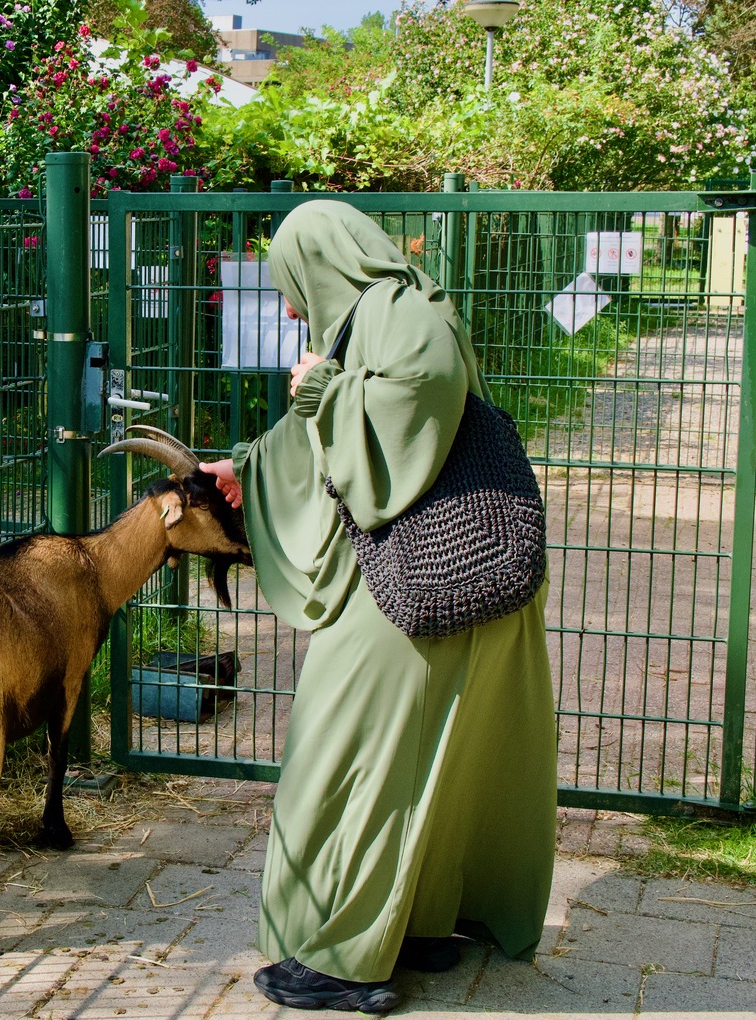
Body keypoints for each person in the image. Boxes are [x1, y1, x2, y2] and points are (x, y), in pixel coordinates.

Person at [200, 200, 556, 1014]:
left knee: (344, 753)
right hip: (455, 575)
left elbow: (420, 388)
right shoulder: (378, 314)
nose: (290, 305)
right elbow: (328, 433)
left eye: (291, 282)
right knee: (427, 756)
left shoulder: (399, 311)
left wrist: (326, 386)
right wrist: (247, 469)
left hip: (423, 581)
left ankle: (343, 958)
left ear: (321, 261)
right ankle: (416, 924)